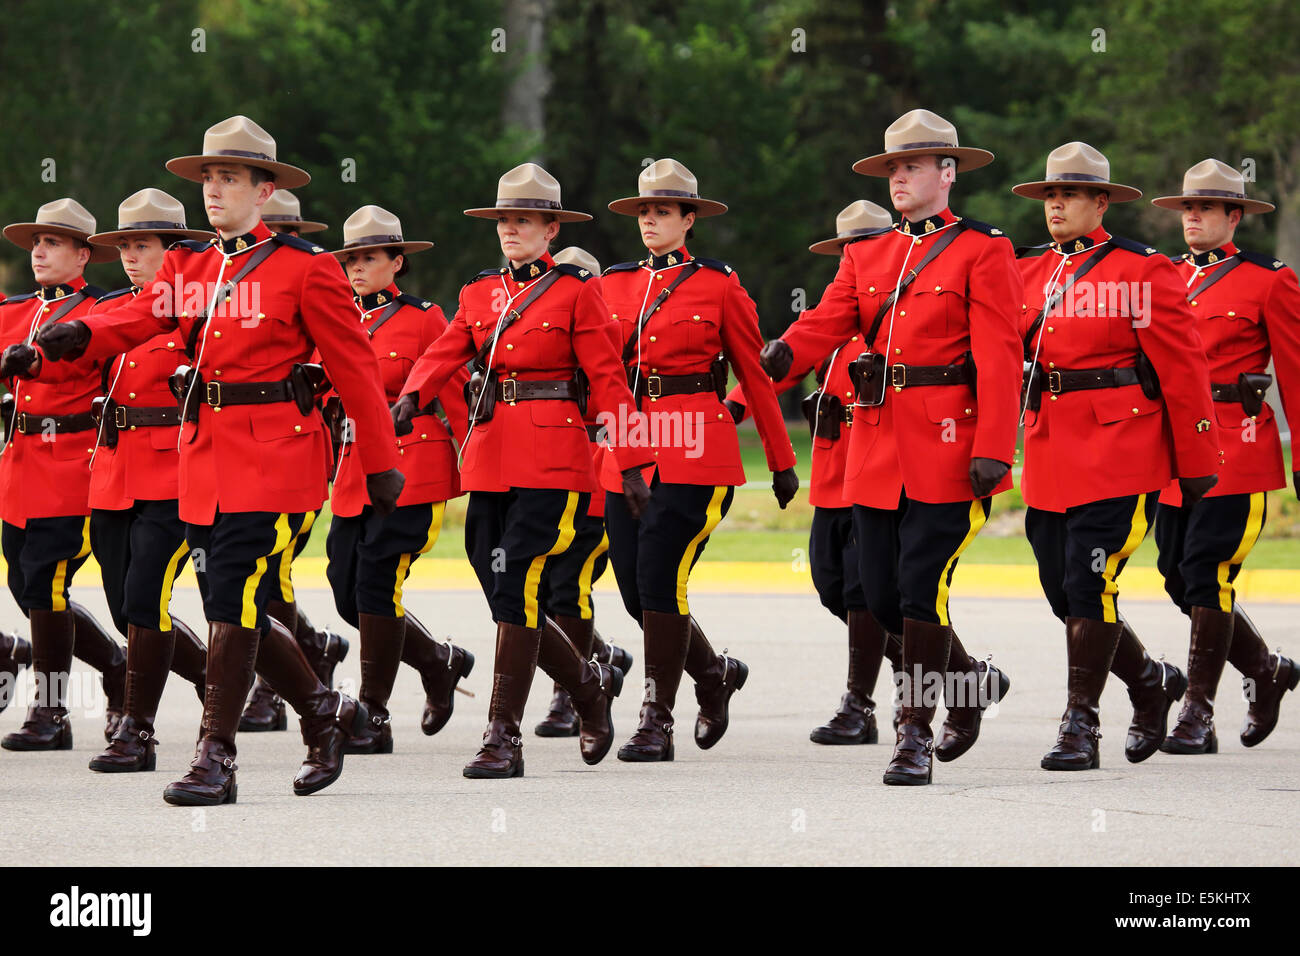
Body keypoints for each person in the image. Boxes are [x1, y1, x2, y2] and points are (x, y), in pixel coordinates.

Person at [33, 115, 403, 805]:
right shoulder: (191, 265)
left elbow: (354, 367)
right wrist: (68, 336)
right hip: (204, 455)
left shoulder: (306, 268)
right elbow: (139, 318)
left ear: (264, 190)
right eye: (208, 178)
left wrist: (380, 460)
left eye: (229, 178)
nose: (214, 190)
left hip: (276, 456)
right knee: (235, 603)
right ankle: (324, 712)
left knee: (233, 597)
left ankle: (216, 757)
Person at [759, 110, 1023, 785]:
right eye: (892, 168)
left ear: (947, 173)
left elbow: (999, 352)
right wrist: (786, 354)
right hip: (877, 452)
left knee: (918, 589)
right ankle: (970, 686)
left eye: (911, 166)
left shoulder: (982, 248)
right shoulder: (867, 252)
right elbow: (828, 320)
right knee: (878, 599)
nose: (899, 177)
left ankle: (915, 734)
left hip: (950, 447)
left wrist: (996, 443)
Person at [395, 163, 653, 778]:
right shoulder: (479, 291)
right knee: (496, 582)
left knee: (518, 590)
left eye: (525, 220)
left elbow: (609, 379)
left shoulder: (575, 291)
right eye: (505, 220)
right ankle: (588, 686)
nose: (511, 229)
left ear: (550, 227)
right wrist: (411, 393)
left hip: (554, 457)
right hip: (490, 456)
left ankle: (502, 735)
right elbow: (448, 348)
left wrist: (633, 459)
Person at [1011, 142, 1219, 771]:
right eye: (1050, 194)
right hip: (1049, 446)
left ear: (1100, 202)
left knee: (1089, 581)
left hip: (1120, 447)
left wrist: (1198, 455)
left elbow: (1184, 368)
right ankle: (1151, 679)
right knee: (1059, 588)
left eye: (1069, 194)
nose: (1056, 205)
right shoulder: (1025, 271)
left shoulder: (1143, 269)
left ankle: (1081, 723)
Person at [599, 158, 799, 763]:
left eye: (663, 211)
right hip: (629, 445)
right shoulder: (612, 283)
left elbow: (754, 375)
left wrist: (781, 457)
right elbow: (605, 373)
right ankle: (711, 673)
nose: (651, 221)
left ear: (690, 219)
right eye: (644, 212)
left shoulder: (719, 284)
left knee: (662, 578)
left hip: (696, 451)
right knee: (635, 592)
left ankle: (655, 716)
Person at [727, 201, 906, 744]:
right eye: (845, 251)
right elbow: (781, 367)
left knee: (863, 590)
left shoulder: (891, 316)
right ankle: (950, 667)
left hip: (879, 461)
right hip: (833, 468)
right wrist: (733, 407)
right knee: (832, 585)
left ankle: (861, 705)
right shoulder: (833, 316)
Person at [1149, 159, 1300, 753]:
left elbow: (1294, 372)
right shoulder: (1160, 277)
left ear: (1234, 216)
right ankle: (1266, 670)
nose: (1193, 217)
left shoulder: (1269, 280)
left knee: (1208, 571)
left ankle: (1197, 711)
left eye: (1206, 208)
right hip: (1171, 450)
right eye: (1187, 207)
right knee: (1173, 575)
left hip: (1235, 442)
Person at [69, 189, 214, 771]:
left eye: (143, 244)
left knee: (143, 594)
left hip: (174, 465)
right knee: (122, 598)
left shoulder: (201, 308)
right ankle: (206, 668)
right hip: (114, 468)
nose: (130, 255)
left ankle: (136, 730)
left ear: (175, 249)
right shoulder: (108, 310)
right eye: (124, 244)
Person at [325, 204, 475, 753]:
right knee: (346, 593)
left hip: (415, 467)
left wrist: (476, 469)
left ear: (397, 261)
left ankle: (374, 715)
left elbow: (457, 394)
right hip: (353, 472)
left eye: (369, 257)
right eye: (350, 259)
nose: (357, 268)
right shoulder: (337, 318)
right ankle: (439, 661)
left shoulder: (424, 318)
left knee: (376, 585)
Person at [0, 199, 132, 750]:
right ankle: (116, 665)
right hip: (21, 461)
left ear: (84, 254)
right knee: (24, 583)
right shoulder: (12, 309)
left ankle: (51, 711)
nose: (39, 251)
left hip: (74, 461)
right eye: (36, 242)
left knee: (47, 582)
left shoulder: (101, 313)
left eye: (53, 242)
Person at [239, 185, 346, 733]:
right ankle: (312, 654)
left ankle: (275, 685)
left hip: (297, 453)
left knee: (265, 574)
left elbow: (348, 362)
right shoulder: (228, 280)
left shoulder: (309, 279)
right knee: (255, 582)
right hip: (237, 455)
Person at [532, 245, 634, 738]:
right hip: (550, 471)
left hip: (597, 470)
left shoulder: (608, 335)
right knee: (545, 582)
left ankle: (571, 692)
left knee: (569, 583)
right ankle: (601, 658)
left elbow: (618, 401)